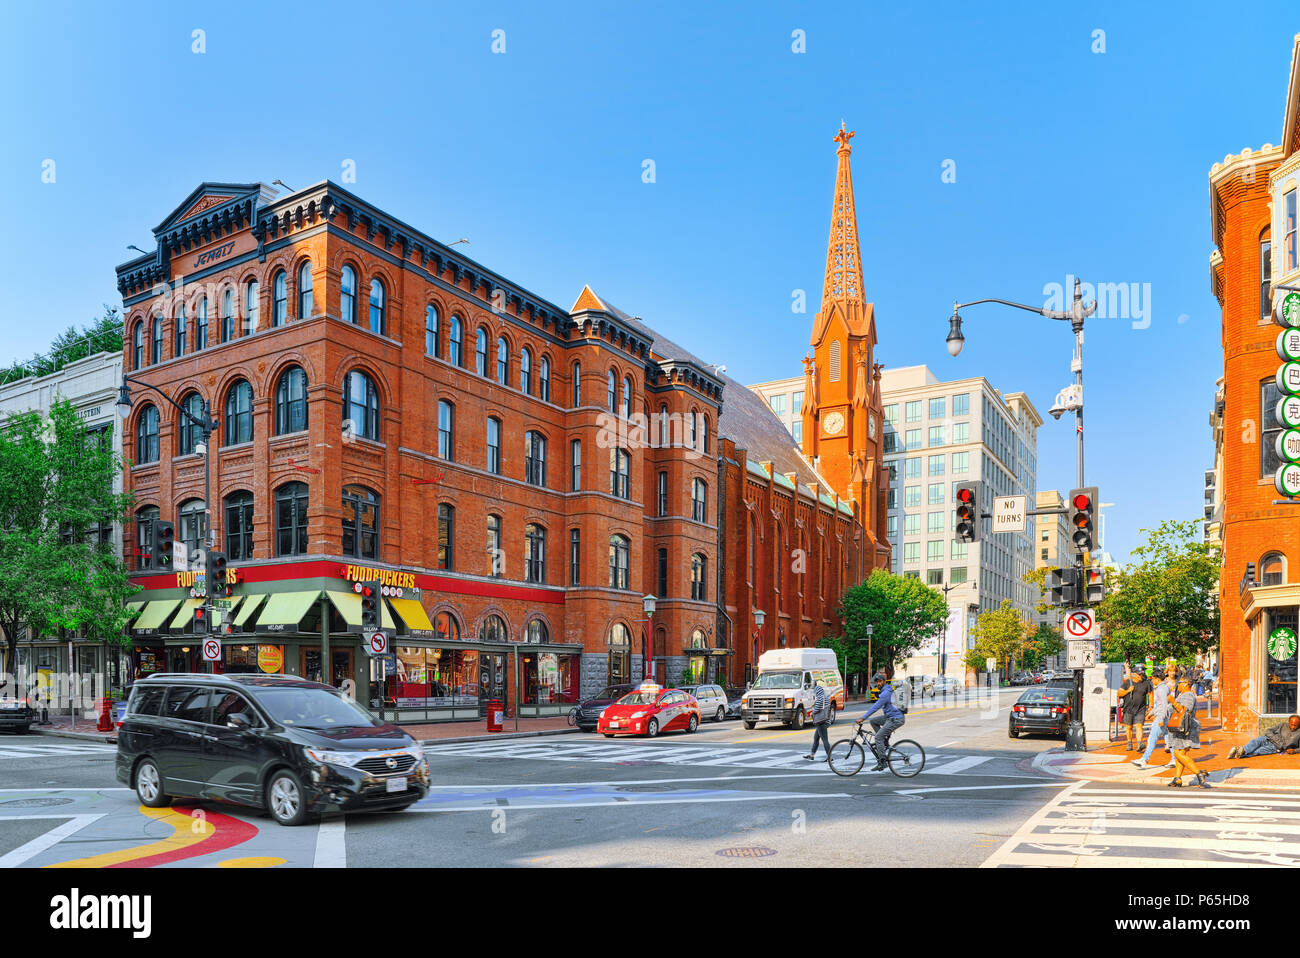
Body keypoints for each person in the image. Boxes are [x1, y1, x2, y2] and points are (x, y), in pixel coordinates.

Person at [1166, 677, 1208, 788]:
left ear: (1186, 684)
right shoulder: (1183, 695)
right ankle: (1177, 778)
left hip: (1185, 728)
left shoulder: (1188, 695)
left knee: (1178, 754)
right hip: (1180, 728)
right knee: (1179, 753)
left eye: (1179, 683)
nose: (1177, 685)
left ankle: (1199, 774)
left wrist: (1173, 701)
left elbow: (1185, 710)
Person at [860, 672, 904, 772]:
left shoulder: (885, 693)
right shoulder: (885, 690)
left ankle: (882, 762)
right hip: (890, 717)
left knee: (878, 737)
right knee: (873, 721)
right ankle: (884, 741)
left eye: (880, 681)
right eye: (877, 682)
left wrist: (863, 718)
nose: (878, 684)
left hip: (895, 719)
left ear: (884, 681)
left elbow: (875, 707)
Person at [1133, 669, 1175, 770]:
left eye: (1152, 678)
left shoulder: (1161, 689)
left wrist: (1160, 718)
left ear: (1157, 678)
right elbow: (1160, 705)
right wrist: (1151, 713)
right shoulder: (1163, 688)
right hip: (1163, 716)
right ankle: (1174, 759)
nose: (1151, 680)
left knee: (1152, 739)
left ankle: (1144, 760)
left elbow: (1164, 705)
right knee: (1168, 739)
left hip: (1161, 717)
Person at [1226, 714, 1300, 759]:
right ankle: (1242, 750)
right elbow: (1268, 731)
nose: (1293, 727)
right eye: (1291, 724)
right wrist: (1276, 738)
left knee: (1257, 751)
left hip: (1275, 748)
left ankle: (1238, 753)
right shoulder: (1282, 725)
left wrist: (1295, 750)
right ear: (1289, 722)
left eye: (1295, 725)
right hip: (1267, 739)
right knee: (1256, 741)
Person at [1116, 666, 1152, 752]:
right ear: (1134, 674)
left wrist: (1151, 706)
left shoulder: (1146, 683)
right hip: (1128, 709)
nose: (1141, 676)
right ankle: (1129, 743)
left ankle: (1139, 744)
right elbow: (1119, 693)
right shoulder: (1127, 683)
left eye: (1142, 674)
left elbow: (1150, 694)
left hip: (1141, 708)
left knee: (1139, 726)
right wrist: (1128, 690)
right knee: (1129, 727)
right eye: (1139, 674)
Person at [803, 681, 833, 763]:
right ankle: (812, 755)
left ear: (817, 692)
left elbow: (817, 709)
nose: (815, 694)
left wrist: (812, 713)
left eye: (815, 692)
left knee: (825, 740)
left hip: (821, 722)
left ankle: (829, 757)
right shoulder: (826, 698)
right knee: (816, 738)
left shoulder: (820, 698)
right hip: (824, 721)